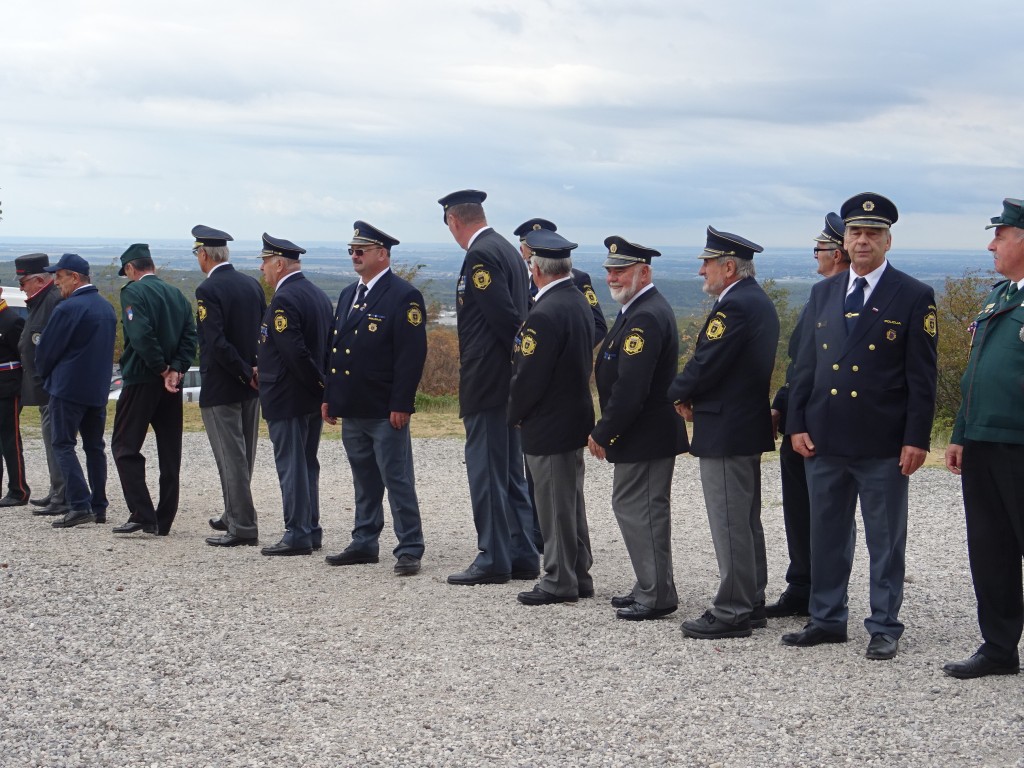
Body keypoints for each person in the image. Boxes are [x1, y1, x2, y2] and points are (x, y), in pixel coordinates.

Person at [783, 193, 938, 660]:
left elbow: (921, 377)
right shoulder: (823, 292)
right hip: (825, 438)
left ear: (888, 240)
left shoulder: (913, 295)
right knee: (826, 534)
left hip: (882, 443)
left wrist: (916, 438)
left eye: (873, 233)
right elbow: (804, 369)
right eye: (856, 232)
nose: (863, 240)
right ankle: (827, 618)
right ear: (845, 241)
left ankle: (884, 624)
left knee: (885, 539)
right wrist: (796, 424)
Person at [669, 227, 779, 639]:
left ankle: (732, 610)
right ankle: (750, 601)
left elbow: (707, 360)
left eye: (708, 263)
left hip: (727, 427)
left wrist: (676, 392)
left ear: (729, 267)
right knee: (745, 520)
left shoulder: (735, 306)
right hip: (739, 425)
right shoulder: (752, 301)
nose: (701, 271)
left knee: (731, 521)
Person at [439, 190, 539, 585]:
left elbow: (506, 319)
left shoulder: (480, 254)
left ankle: (493, 557)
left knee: (487, 471)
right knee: (510, 470)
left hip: (489, 381)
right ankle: (521, 552)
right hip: (507, 382)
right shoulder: (509, 251)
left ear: (454, 221)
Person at [942, 197, 1024, 679]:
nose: (991, 244)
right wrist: (960, 434)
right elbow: (977, 373)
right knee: (990, 548)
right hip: (984, 442)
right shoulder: (1000, 296)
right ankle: (998, 648)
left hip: (1019, 443)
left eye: (1001, 236)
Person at [588, 236, 688, 620]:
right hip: (643, 433)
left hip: (644, 434)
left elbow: (632, 387)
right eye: (610, 270)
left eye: (622, 270)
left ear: (644, 272)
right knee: (639, 508)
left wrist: (604, 432)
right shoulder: (637, 308)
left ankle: (657, 593)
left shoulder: (645, 314)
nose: (613, 277)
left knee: (641, 509)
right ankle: (649, 584)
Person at [322, 221, 427, 575]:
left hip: (384, 407)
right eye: (352, 250)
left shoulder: (403, 295)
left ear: (382, 254)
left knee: (396, 478)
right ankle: (364, 541)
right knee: (363, 478)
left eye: (361, 250)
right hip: (353, 405)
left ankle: (409, 546)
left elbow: (410, 356)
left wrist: (402, 403)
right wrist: (330, 396)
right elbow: (336, 350)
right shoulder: (350, 294)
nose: (355, 255)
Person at [765, 214, 850, 618]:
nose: (814, 256)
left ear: (836, 254)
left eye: (818, 249)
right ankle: (801, 586)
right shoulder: (820, 294)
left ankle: (826, 595)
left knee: (827, 514)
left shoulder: (848, 300)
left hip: (826, 424)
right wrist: (782, 404)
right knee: (799, 510)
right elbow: (800, 362)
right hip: (799, 419)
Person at [508, 229, 596, 605]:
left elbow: (529, 375)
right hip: (572, 416)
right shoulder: (576, 300)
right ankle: (579, 573)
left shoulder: (544, 312)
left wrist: (514, 413)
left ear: (537, 268)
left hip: (548, 421)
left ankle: (560, 579)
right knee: (570, 501)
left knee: (553, 503)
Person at [110, 244, 198, 537]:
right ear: (153, 266)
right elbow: (189, 336)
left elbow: (140, 335)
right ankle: (165, 517)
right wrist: (176, 369)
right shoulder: (177, 295)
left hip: (142, 378)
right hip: (172, 381)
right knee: (170, 450)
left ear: (131, 269)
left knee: (124, 446)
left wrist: (160, 368)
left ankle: (142, 513)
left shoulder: (133, 292)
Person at [256, 233, 333, 556]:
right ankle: (310, 528)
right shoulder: (316, 294)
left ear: (279, 263)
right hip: (310, 396)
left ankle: (298, 532)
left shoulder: (285, 299)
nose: (262, 269)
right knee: (306, 463)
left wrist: (316, 384)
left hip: (289, 396)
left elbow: (295, 353)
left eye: (264, 262)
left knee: (292, 464)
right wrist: (322, 387)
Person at [192, 226, 266, 548]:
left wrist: (241, 372)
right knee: (243, 454)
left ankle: (243, 526)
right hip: (251, 383)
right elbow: (263, 333)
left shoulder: (207, 291)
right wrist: (254, 371)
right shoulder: (252, 285)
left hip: (224, 384)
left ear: (204, 255)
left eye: (197, 254)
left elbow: (216, 343)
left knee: (230, 456)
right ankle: (232, 512)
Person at [34, 254, 117, 528]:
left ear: (75, 277)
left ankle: (79, 503)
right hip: (96, 389)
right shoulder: (106, 308)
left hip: (67, 389)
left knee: (62, 444)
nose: (56, 283)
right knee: (95, 447)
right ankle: (99, 505)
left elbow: (47, 350)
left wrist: (46, 376)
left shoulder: (67, 308)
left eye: (59, 277)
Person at [15, 253, 69, 519]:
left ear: (38, 279)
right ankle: (56, 489)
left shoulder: (52, 301)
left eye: (23, 282)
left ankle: (62, 494)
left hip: (50, 385)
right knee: (50, 439)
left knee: (55, 439)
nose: (21, 287)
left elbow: (49, 346)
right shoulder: (40, 300)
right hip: (42, 385)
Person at [513, 218, 608, 346]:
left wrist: (571, 352)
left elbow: (599, 326)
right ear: (522, 251)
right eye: (531, 246)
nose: (538, 250)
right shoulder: (517, 282)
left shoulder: (577, 279)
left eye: (543, 244)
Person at [0, 283, 29, 507]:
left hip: (8, 387)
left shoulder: (11, 320)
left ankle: (18, 490)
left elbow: (24, 357)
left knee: (10, 439)